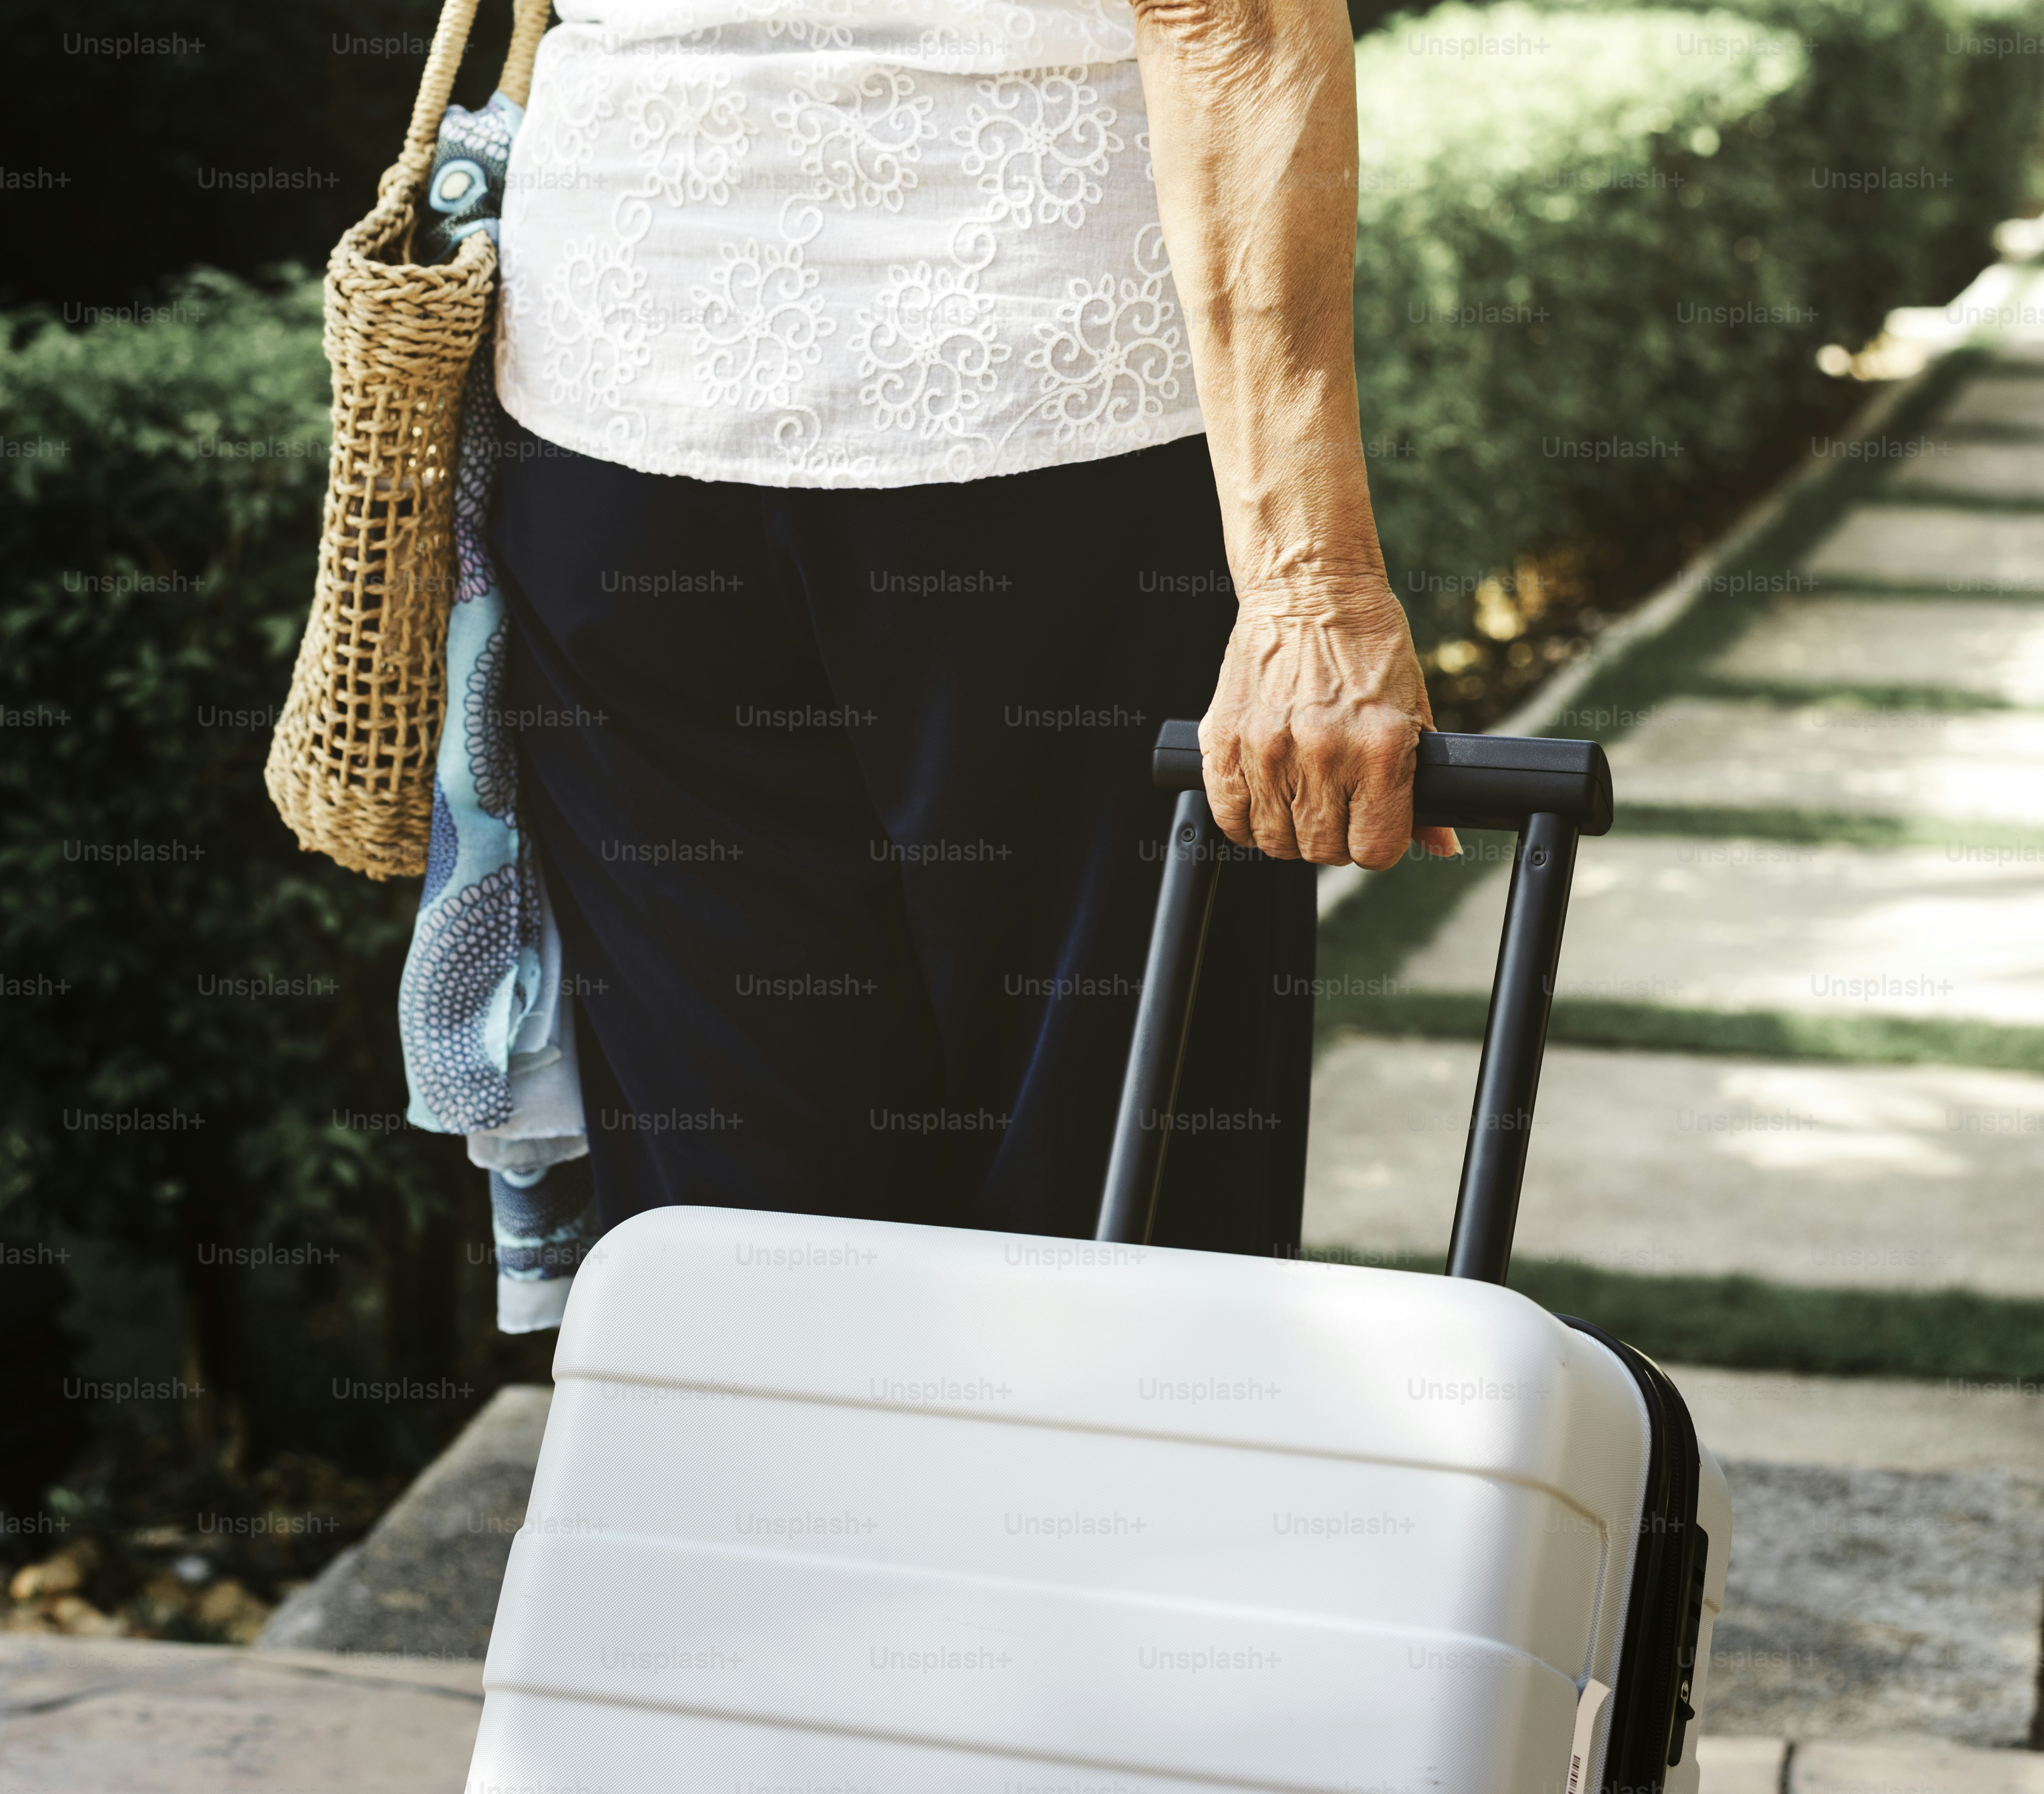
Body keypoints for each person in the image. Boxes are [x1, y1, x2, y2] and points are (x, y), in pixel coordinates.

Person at [485, 0, 1454, 1267]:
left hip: (626, 437)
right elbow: (1235, 21)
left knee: (747, 1238)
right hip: (1036, 446)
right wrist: (1307, 585)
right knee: (1117, 1216)